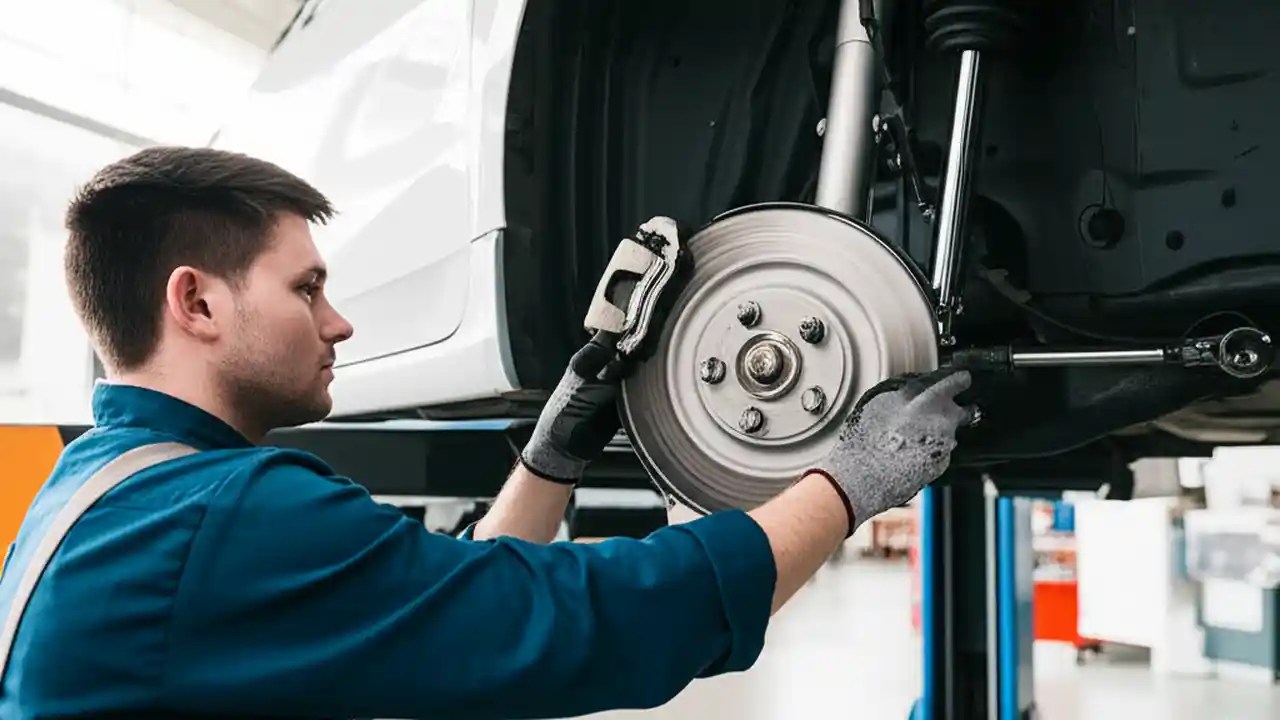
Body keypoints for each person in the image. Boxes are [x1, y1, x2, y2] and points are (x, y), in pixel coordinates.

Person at [0, 147, 973, 719]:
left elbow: (444, 626)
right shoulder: (224, 519)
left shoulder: (107, 491)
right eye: (307, 288)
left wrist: (551, 451)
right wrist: (850, 480)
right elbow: (580, 621)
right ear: (196, 303)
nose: (337, 322)